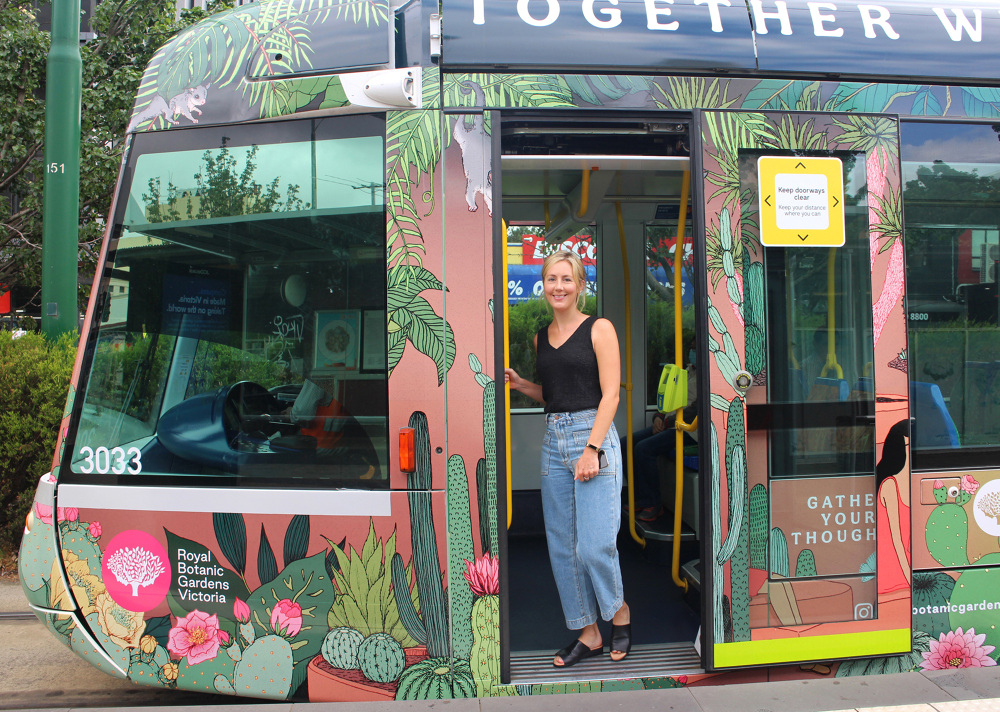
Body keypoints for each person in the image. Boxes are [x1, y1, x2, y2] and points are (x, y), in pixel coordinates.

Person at [505, 249, 632, 668]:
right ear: (543, 284)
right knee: (562, 547)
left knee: (594, 546)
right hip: (554, 442)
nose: (558, 287)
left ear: (580, 285)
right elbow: (555, 395)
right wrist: (522, 385)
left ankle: (619, 612)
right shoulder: (540, 338)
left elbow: (610, 395)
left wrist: (592, 449)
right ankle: (588, 632)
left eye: (566, 279)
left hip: (593, 438)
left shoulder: (599, 328)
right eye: (551, 279)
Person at [628, 359, 697, 522]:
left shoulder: (707, 376)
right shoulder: (686, 371)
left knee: (644, 448)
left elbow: (695, 411)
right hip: (670, 424)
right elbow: (670, 397)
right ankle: (640, 496)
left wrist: (667, 422)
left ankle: (653, 503)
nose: (692, 351)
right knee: (627, 444)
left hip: (689, 430)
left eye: (695, 348)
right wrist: (659, 416)